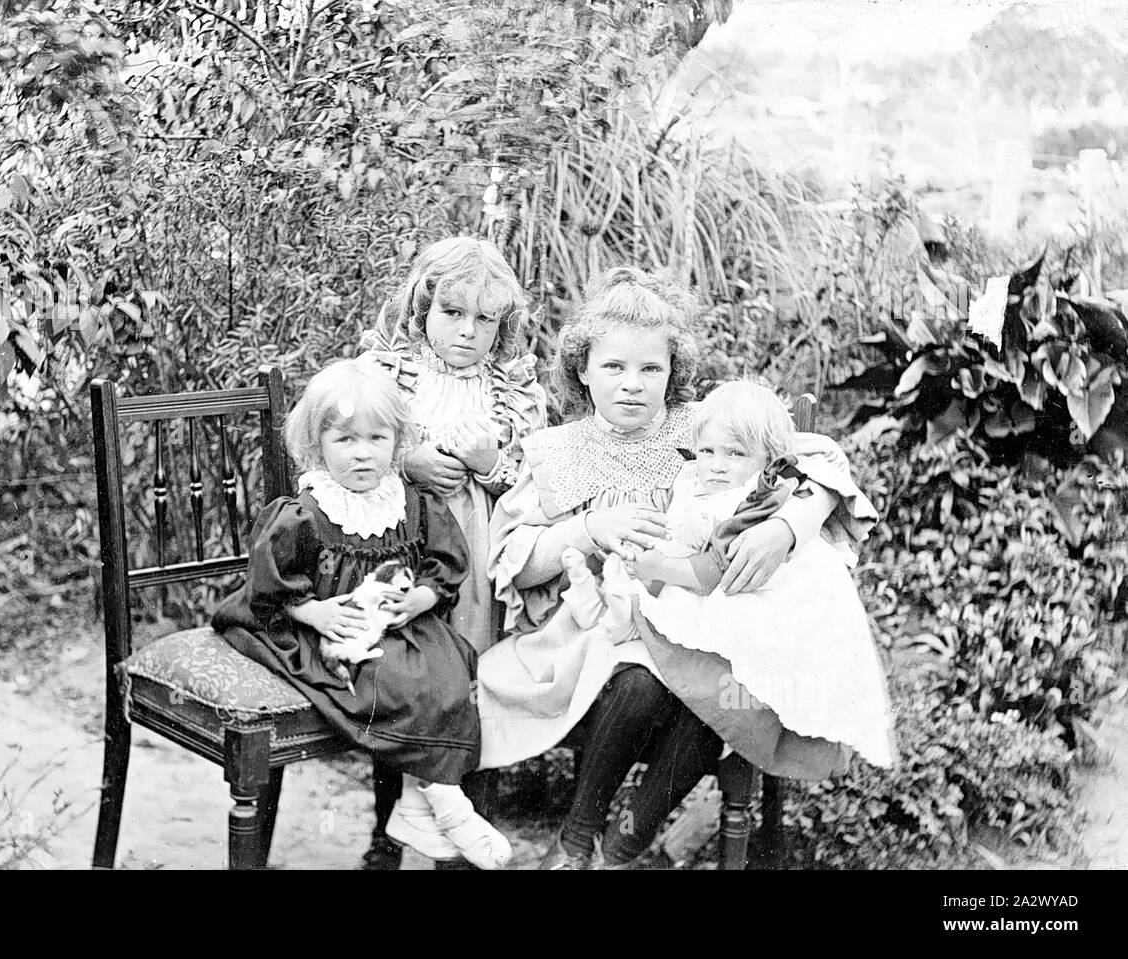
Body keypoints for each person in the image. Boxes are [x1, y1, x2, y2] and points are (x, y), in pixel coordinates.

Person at [477, 267, 877, 869]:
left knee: (717, 696)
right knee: (642, 683)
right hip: (595, 631)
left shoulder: (703, 431)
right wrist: (586, 529)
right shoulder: (556, 450)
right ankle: (576, 835)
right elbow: (514, 563)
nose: (633, 385)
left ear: (673, 373)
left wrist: (786, 524)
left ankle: (622, 847)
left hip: (699, 626)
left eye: (651, 369)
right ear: (583, 370)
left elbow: (818, 458)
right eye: (614, 368)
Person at [211, 361, 511, 869]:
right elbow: (268, 584)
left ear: (398, 442)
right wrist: (312, 611)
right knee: (399, 681)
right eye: (345, 439)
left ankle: (418, 803)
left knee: (453, 670)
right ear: (316, 444)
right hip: (330, 631)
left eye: (377, 437)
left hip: (399, 624)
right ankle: (443, 800)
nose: (363, 452)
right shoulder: (307, 511)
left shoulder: (410, 503)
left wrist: (426, 596)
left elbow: (444, 561)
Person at [565, 380, 896, 772]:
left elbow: (711, 571)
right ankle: (607, 610)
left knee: (667, 632)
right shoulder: (696, 481)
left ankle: (616, 617)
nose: (717, 465)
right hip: (695, 584)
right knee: (626, 589)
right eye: (707, 452)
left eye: (735, 454)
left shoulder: (751, 502)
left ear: (768, 460)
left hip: (742, 600)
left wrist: (656, 566)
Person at [357, 237, 547, 868]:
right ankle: (385, 836)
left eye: (484, 320)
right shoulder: (388, 374)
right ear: (422, 308)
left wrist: (493, 466)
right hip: (402, 546)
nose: (466, 332)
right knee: (407, 677)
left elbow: (533, 480)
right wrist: (406, 461)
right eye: (452, 313)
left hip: (476, 554)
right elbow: (345, 444)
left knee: (470, 681)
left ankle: (461, 840)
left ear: (503, 326)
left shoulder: (510, 389)